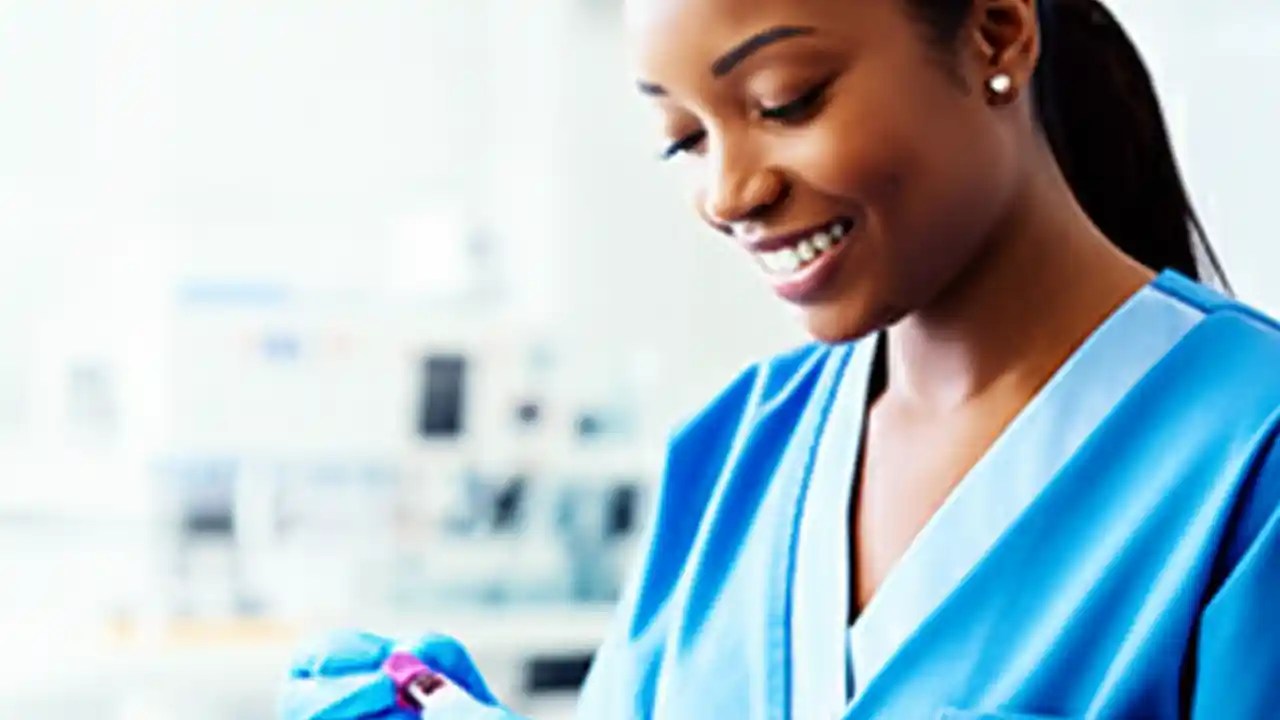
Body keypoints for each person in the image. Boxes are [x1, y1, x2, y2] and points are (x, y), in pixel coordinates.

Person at [280, 0, 1280, 717]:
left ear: (993, 32)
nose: (727, 193)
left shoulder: (1246, 457)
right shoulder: (731, 453)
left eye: (784, 101)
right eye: (683, 140)